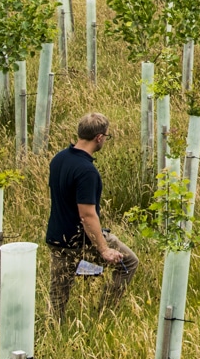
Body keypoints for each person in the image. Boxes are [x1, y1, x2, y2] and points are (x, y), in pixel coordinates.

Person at [46, 112, 138, 318]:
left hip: (56, 238)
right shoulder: (87, 171)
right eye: (106, 136)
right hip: (80, 241)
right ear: (99, 137)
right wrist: (103, 249)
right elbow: (87, 215)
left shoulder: (58, 159)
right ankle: (104, 315)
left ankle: (53, 328)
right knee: (129, 263)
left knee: (58, 295)